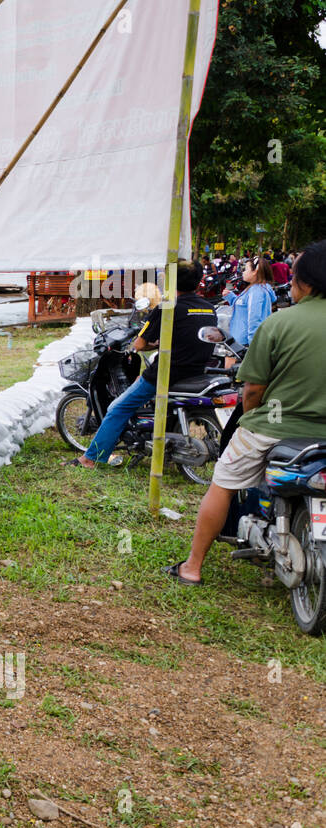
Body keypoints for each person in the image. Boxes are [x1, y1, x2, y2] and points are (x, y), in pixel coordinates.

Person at [167, 239, 326, 585]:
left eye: (295, 278)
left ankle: (192, 567)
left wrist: (251, 415)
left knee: (222, 482)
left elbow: (253, 390)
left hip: (275, 425)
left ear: (307, 283)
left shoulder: (281, 323)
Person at [72, 260, 217, 469]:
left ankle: (90, 459)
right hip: (197, 371)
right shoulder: (208, 308)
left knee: (117, 408)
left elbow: (139, 343)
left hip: (168, 372)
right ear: (199, 280)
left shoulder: (167, 307)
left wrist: (144, 344)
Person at [224, 255, 276, 350]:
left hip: (244, 344)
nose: (243, 272)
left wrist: (253, 347)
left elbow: (254, 319)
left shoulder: (257, 291)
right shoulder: (255, 288)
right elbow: (243, 307)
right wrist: (230, 297)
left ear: (255, 271)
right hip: (242, 341)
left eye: (246, 269)